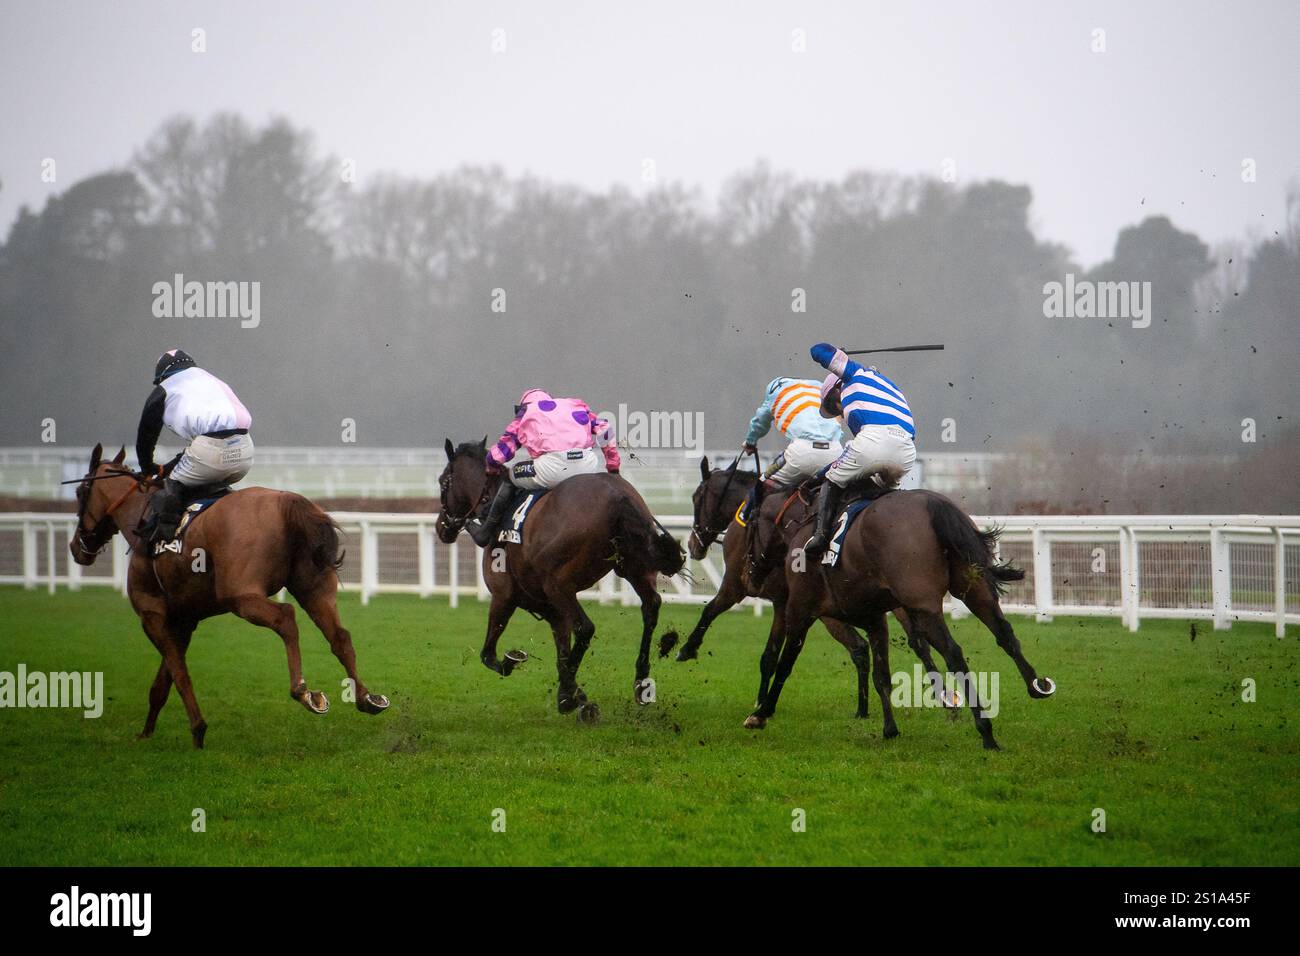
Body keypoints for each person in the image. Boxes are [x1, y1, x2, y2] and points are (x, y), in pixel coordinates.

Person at [802, 343, 916, 558]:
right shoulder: (890, 387)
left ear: (837, 387)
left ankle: (820, 537)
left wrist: (837, 355)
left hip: (874, 442)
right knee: (881, 494)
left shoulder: (851, 374)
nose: (840, 411)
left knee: (832, 479)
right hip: (906, 452)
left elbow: (816, 350)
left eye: (835, 404)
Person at [466, 389, 620, 547]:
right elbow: (605, 429)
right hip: (587, 465)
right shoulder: (575, 405)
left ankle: (486, 531)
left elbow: (501, 452)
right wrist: (613, 466)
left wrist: (491, 466)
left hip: (552, 469)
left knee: (510, 475)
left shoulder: (527, 411)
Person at [135, 350, 254, 550]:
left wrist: (147, 468)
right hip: (246, 451)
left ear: (163, 376)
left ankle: (163, 544)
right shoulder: (212, 380)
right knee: (205, 475)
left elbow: (146, 436)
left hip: (211, 452)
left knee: (171, 486)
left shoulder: (165, 388)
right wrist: (168, 465)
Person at [742, 376, 844, 507]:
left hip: (801, 453)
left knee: (761, 483)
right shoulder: (820, 388)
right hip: (835, 452)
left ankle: (746, 517)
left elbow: (760, 422)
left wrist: (750, 442)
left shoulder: (775, 390)